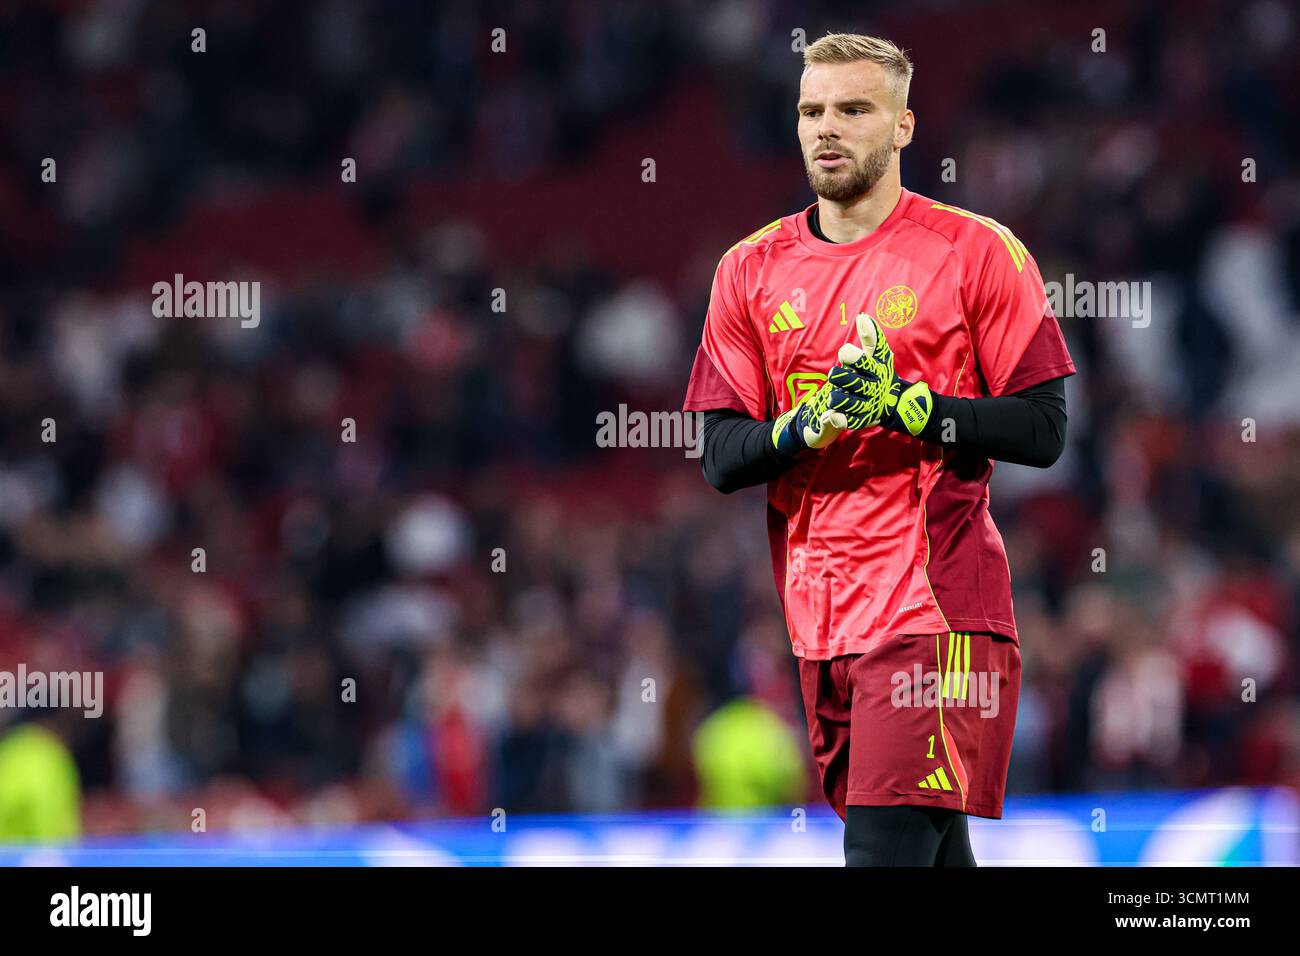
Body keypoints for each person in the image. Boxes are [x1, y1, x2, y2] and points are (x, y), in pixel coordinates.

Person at [682, 32, 1074, 865]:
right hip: (821, 624)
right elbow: (720, 456)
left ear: (903, 125)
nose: (827, 127)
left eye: (853, 109)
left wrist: (914, 408)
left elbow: (1045, 428)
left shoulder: (976, 252)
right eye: (811, 110)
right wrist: (807, 424)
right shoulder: (747, 270)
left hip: (938, 612)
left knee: (880, 856)